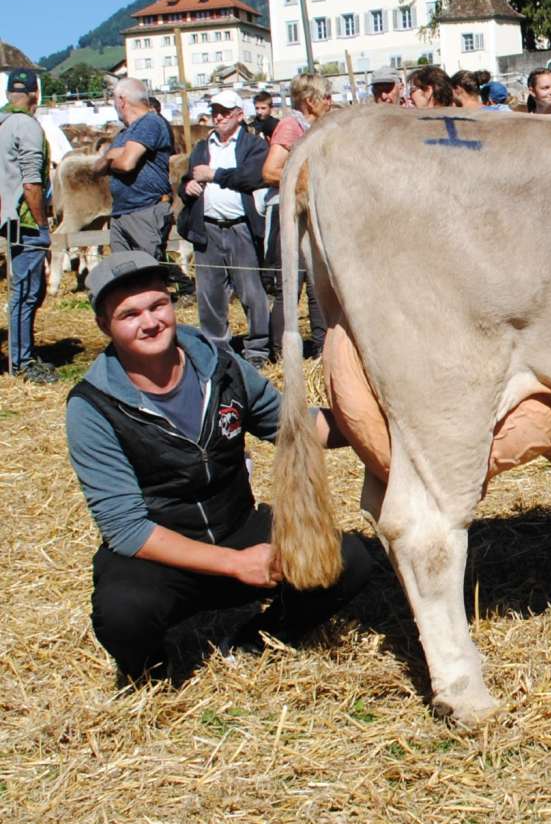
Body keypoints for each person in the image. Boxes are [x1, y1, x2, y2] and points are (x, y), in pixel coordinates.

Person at [66, 251, 372, 684]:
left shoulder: (219, 364)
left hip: (238, 525)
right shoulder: (93, 406)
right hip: (163, 554)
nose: (150, 322)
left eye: (157, 305)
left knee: (348, 560)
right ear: (104, 325)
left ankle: (263, 634)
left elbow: (288, 424)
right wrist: (234, 564)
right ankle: (154, 668)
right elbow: (127, 529)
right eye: (129, 314)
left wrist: (369, 422)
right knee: (123, 615)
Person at [178, 90, 271, 367]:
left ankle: (257, 350)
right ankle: (217, 349)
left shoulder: (253, 146)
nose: (218, 116)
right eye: (215, 110)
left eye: (225, 111)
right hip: (208, 228)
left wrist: (214, 176)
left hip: (240, 227)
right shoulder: (202, 147)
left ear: (239, 115)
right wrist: (187, 187)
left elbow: (252, 177)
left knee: (251, 291)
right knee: (209, 294)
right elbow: (186, 178)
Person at [262, 73, 331, 361]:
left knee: (318, 283)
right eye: (325, 95)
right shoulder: (291, 126)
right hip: (291, 212)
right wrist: (308, 180)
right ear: (309, 100)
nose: (330, 101)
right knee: (291, 284)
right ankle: (279, 353)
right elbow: (269, 171)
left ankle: (320, 348)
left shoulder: (321, 125)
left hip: (314, 211)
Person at [1, 69, 55, 382]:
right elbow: (31, 183)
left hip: (3, 217)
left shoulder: (2, 121)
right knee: (26, 291)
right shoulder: (27, 126)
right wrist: (42, 225)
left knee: (20, 291)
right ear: (35, 94)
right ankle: (21, 361)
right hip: (22, 222)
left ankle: (21, 355)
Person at [94, 78, 176, 261]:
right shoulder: (124, 133)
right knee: (125, 275)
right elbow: (96, 169)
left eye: (114, 100)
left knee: (147, 273)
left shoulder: (150, 123)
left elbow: (126, 164)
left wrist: (112, 157)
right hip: (121, 213)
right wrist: (110, 156)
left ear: (122, 100)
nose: (114, 105)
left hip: (144, 211)